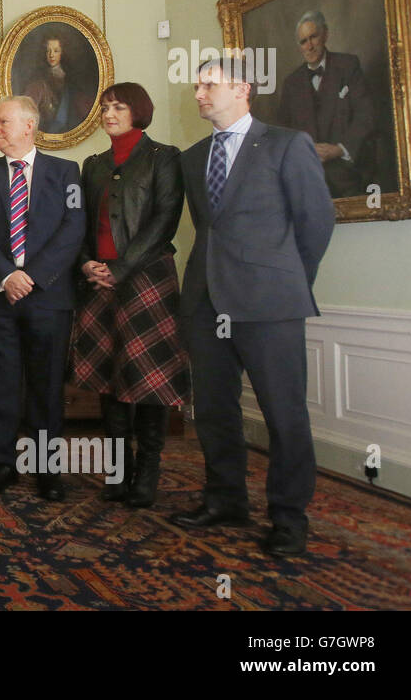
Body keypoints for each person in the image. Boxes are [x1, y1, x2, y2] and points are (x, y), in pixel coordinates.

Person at [172, 56, 335, 557]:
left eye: (209, 84)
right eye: (196, 85)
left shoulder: (287, 144)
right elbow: (210, 229)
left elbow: (316, 223)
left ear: (243, 88)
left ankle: (289, 516)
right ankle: (226, 500)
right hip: (206, 303)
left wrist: (285, 282)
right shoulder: (193, 157)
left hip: (270, 305)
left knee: (284, 416)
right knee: (215, 411)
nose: (199, 93)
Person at [71, 83, 189, 508]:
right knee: (110, 380)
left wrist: (120, 268)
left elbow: (164, 222)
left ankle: (148, 470)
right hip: (99, 282)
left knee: (148, 380)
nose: (109, 113)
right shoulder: (93, 165)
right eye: (105, 107)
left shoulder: (164, 157)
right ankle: (118, 472)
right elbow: (80, 224)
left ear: (138, 110)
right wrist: (87, 263)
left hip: (146, 280)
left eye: (118, 106)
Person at [0, 96, 84, 501]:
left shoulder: (67, 173)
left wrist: (29, 277)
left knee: (45, 384)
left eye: (3, 122)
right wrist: (7, 276)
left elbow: (73, 229)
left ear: (29, 126)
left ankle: (47, 467)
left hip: (47, 297)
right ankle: (4, 463)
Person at [275, 11, 375, 198]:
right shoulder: (291, 83)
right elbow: (283, 132)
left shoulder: (348, 65)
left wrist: (339, 149)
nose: (309, 46)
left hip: (349, 175)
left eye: (313, 37)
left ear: (325, 34)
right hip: (308, 180)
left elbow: (366, 115)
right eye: (303, 41)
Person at [22, 36, 93, 135]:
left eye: (56, 51)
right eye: (48, 51)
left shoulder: (71, 77)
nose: (51, 55)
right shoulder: (38, 79)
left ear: (62, 53)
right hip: (46, 126)